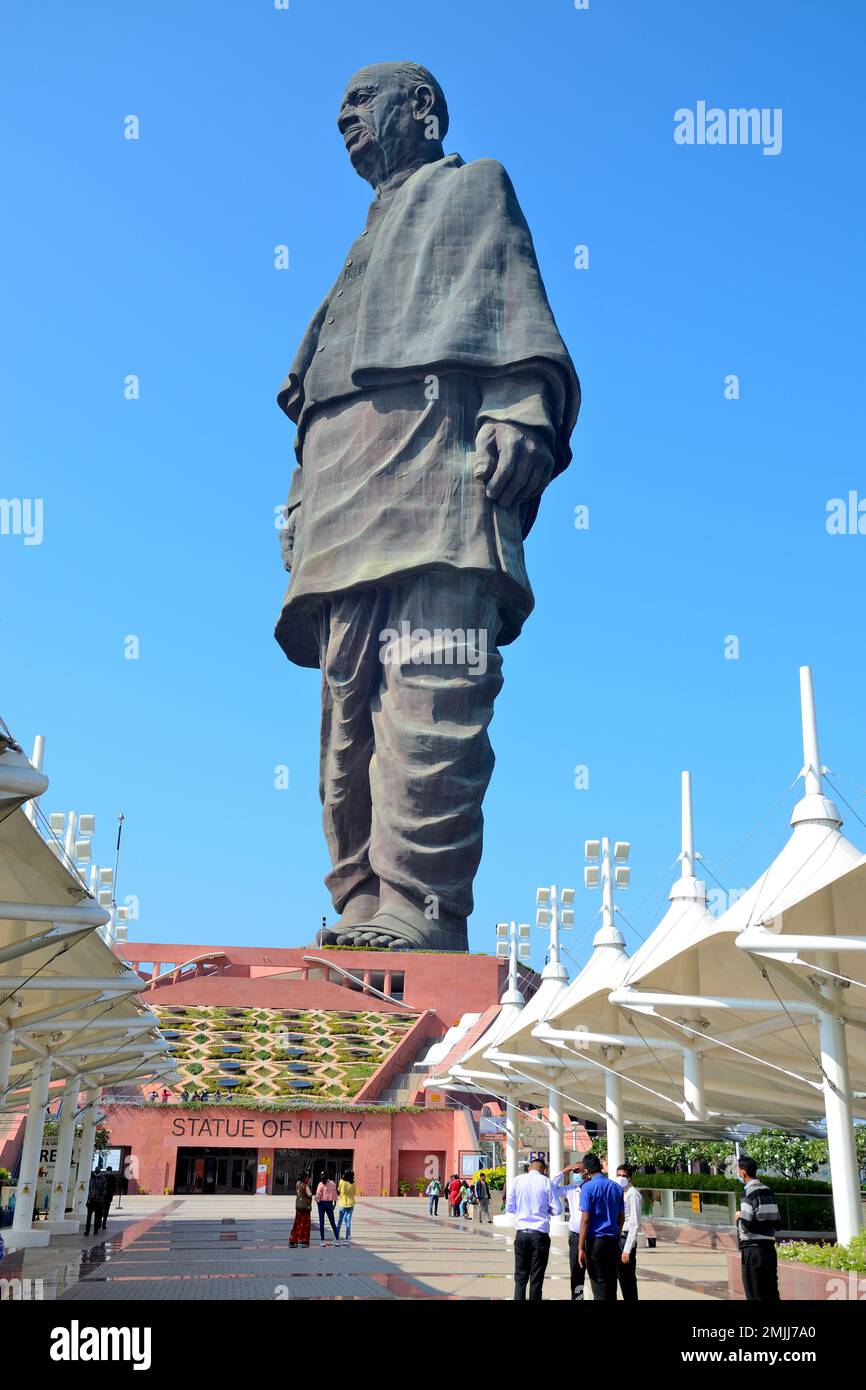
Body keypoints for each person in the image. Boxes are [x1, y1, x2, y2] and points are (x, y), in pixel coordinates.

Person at [275, 63, 580, 956]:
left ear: (422, 108)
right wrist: (300, 493)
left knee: (432, 682)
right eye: (338, 108)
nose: (344, 117)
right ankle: (361, 895)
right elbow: (315, 390)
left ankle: (420, 903)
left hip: (437, 460)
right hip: (342, 480)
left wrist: (520, 403)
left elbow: (510, 301)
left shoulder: (473, 187)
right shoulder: (362, 241)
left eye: (360, 101)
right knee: (346, 708)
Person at [505, 1157, 561, 1301]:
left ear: (529, 1168)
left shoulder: (517, 1180)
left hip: (521, 1233)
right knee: (536, 1277)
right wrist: (545, 1210)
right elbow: (557, 1209)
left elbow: (509, 1207)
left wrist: (521, 1212)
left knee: (520, 1277)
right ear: (545, 1171)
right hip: (539, 1234)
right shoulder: (546, 1182)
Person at [577, 1152, 624, 1302]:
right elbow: (621, 1217)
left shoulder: (587, 1188)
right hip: (612, 1240)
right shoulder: (617, 1188)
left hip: (595, 1241)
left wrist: (580, 1247)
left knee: (598, 1284)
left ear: (586, 1170)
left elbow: (585, 1219)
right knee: (611, 1282)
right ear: (600, 1166)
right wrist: (617, 1232)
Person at [735, 1155, 780, 1301]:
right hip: (769, 1249)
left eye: (737, 1171)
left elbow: (746, 1225)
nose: (737, 1174)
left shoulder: (748, 1193)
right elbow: (776, 1221)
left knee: (755, 1293)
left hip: (753, 1251)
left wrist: (739, 1217)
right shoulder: (768, 1191)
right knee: (771, 1292)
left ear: (743, 1173)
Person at [551, 1161, 588, 1300]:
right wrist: (564, 1171)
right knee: (577, 1274)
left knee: (597, 1274)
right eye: (574, 1171)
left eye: (579, 1171)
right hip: (576, 1237)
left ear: (586, 1172)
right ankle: (578, 1298)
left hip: (592, 1237)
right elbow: (551, 1188)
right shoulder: (571, 1189)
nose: (576, 1174)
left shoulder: (592, 1188)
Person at [616, 1163, 642, 1302]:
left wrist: (627, 1250)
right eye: (618, 1175)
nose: (621, 1178)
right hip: (618, 1238)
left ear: (629, 1178)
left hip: (626, 1239)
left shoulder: (633, 1194)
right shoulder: (620, 1192)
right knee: (621, 1276)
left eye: (624, 1176)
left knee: (627, 1280)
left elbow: (634, 1224)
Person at [289, 1169, 313, 1248]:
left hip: (299, 1206)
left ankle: (293, 1240)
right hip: (305, 1208)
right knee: (304, 1224)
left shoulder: (298, 1184)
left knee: (297, 1223)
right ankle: (303, 1240)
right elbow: (309, 1194)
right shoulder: (305, 1186)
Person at [315, 1171, 339, 1244]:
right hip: (329, 1203)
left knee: (321, 1222)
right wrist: (334, 1204)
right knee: (332, 1222)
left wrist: (318, 1203)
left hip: (321, 1204)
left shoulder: (320, 1184)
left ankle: (322, 1240)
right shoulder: (332, 1183)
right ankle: (337, 1239)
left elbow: (318, 1195)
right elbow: (335, 1193)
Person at [84, 1168, 107, 1237]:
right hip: (91, 1199)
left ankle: (95, 1230)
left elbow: (104, 1189)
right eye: (95, 1170)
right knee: (89, 1216)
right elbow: (89, 1189)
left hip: (98, 1200)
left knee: (97, 1216)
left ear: (99, 1171)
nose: (96, 1172)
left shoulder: (103, 1179)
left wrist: (101, 1198)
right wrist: (88, 1199)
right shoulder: (92, 1178)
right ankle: (87, 1231)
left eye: (97, 1171)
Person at [335, 1168, 356, 1242]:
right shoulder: (353, 1183)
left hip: (343, 1204)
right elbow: (354, 1193)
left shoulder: (342, 1182)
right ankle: (347, 1238)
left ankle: (337, 1238)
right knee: (348, 1221)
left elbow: (339, 1190)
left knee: (340, 1221)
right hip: (351, 1204)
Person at [99, 1166, 117, 1231]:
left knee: (106, 1211)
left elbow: (114, 1188)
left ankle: (104, 1224)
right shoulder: (103, 1177)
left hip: (108, 1197)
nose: (108, 1171)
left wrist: (111, 1195)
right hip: (102, 1197)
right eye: (108, 1170)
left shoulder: (113, 1178)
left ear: (111, 1171)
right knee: (101, 1210)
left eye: (109, 1170)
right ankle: (99, 1222)